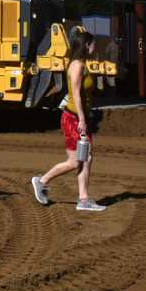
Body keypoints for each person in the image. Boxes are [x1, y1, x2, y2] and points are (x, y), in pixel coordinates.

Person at [30, 28, 102, 211]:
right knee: (77, 160)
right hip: (74, 119)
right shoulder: (77, 65)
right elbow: (76, 95)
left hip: (77, 117)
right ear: (86, 45)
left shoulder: (82, 63)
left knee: (86, 157)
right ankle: (42, 180)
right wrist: (82, 120)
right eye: (93, 44)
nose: (95, 47)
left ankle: (83, 199)